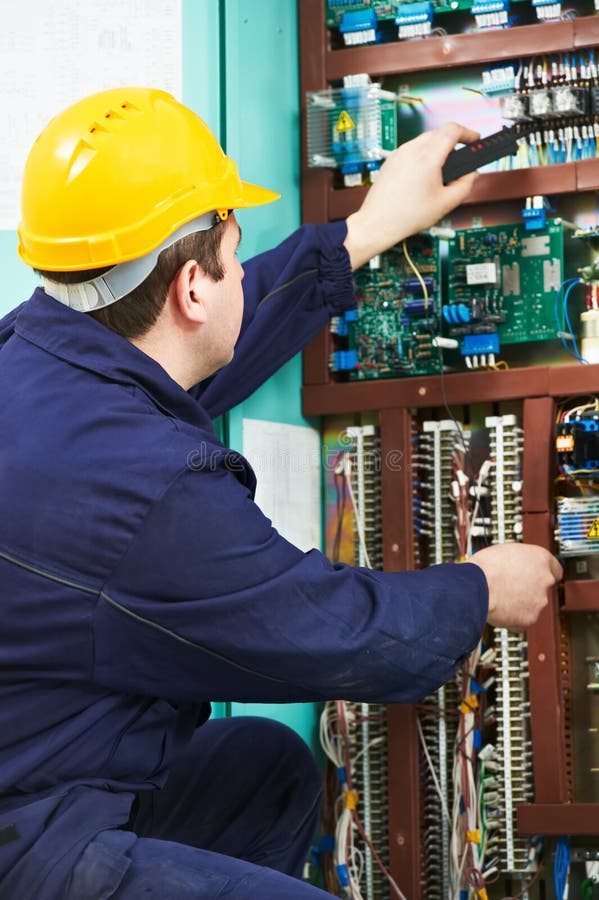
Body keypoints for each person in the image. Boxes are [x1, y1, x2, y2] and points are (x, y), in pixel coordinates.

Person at [0, 87, 560, 900]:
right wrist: (479, 589)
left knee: (261, 769)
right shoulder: (155, 494)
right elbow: (339, 635)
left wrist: (363, 231)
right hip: (31, 841)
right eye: (235, 247)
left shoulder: (37, 354)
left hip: (29, 770)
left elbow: (198, 348)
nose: (237, 270)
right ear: (193, 286)